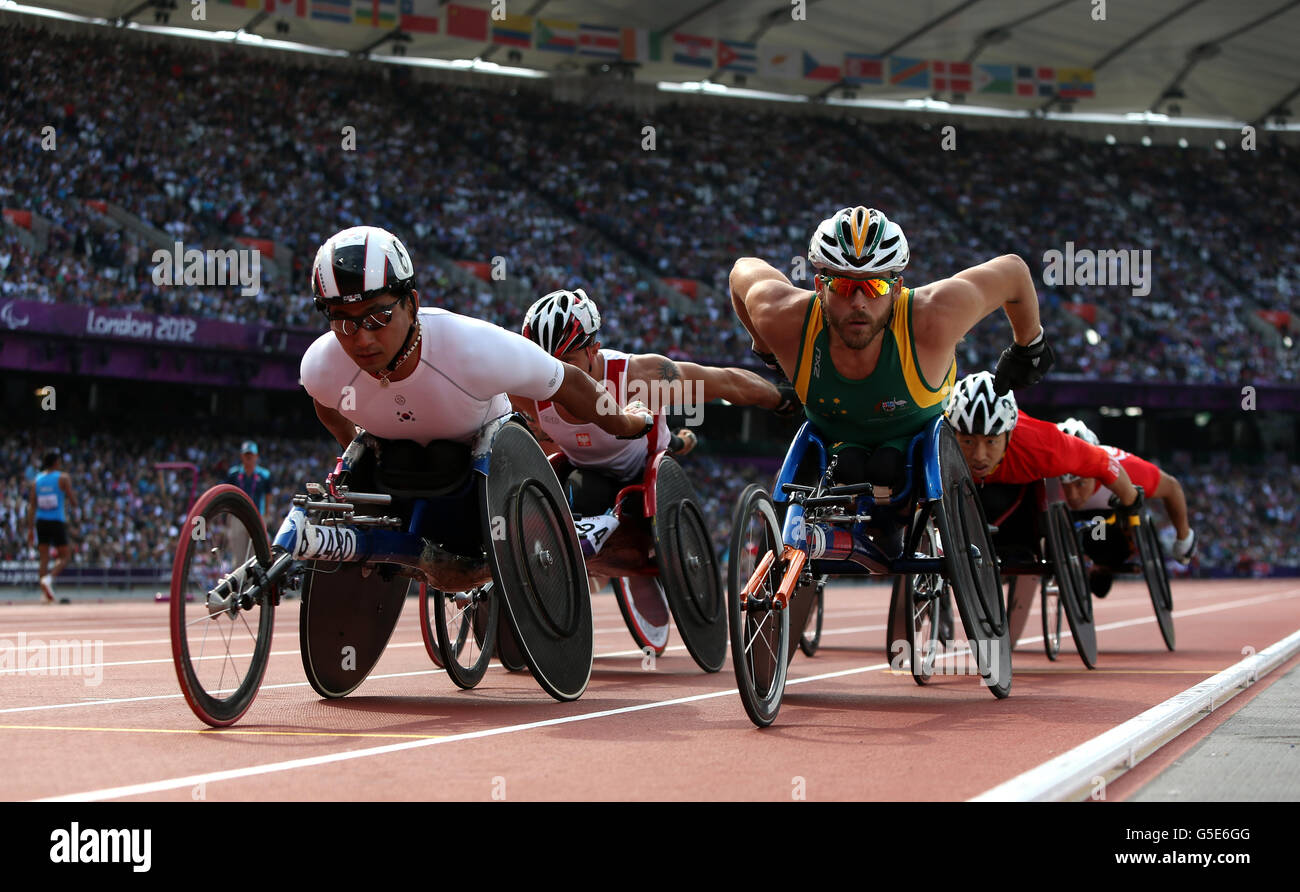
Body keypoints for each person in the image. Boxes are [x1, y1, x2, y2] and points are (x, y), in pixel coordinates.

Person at [299, 226, 654, 556]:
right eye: (344, 321)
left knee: (445, 459)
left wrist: (625, 423)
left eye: (377, 317)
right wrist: (355, 444)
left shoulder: (476, 348)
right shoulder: (321, 366)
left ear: (412, 304)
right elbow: (326, 406)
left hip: (481, 474)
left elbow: (570, 382)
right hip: (400, 476)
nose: (361, 338)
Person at [729, 205, 1055, 550]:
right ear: (819, 287)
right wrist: (765, 347)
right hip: (837, 441)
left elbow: (1014, 272)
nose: (858, 303)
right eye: (842, 285)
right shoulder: (781, 315)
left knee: (888, 466)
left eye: (873, 287)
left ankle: (893, 526)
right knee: (849, 467)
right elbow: (741, 272)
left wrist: (1028, 345)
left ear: (897, 287)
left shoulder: (933, 316)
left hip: (912, 441)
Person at [510, 287, 795, 648]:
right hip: (585, 479)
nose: (553, 376)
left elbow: (723, 381)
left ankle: (669, 447)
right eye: (543, 362)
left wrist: (780, 399)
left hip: (644, 475)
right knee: (576, 484)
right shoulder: (526, 391)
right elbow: (548, 440)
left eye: (564, 362)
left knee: (612, 487)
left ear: (592, 349)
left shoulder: (639, 375)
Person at [944, 372, 1142, 643]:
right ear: (951, 430)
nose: (979, 455)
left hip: (1017, 500)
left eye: (991, 441)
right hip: (958, 491)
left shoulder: (1044, 444)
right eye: (968, 441)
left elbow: (1102, 462)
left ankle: (1021, 549)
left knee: (1094, 532)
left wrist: (1131, 503)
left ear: (1010, 434)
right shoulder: (937, 436)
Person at [1056, 417, 1197, 596]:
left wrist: (1184, 538)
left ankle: (1100, 564)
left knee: (1099, 525)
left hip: (1106, 521)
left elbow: (1172, 487)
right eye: (1064, 485)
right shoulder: (1042, 470)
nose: (1072, 495)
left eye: (1079, 484)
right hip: (1063, 519)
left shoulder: (1126, 467)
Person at [27, 450, 77, 603]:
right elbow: (73, 501)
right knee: (65, 556)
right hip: (56, 521)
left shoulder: (37, 480)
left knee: (44, 558)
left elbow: (32, 506)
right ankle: (49, 578)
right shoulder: (62, 478)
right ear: (56, 463)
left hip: (41, 522)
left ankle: (45, 593)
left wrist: (30, 529)